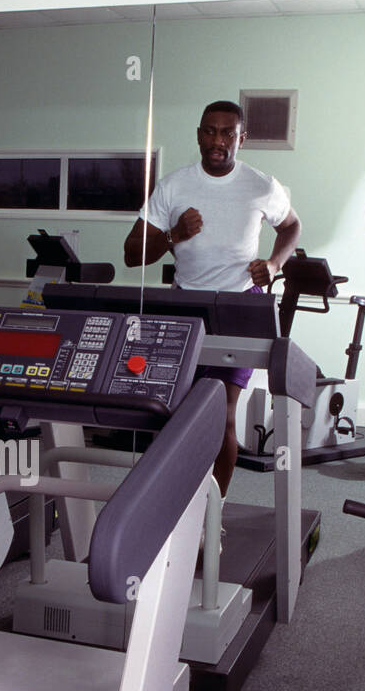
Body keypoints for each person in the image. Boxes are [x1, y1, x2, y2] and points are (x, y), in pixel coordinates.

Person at [124, 101, 301, 496]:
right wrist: (173, 236)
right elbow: (131, 252)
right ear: (199, 133)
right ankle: (174, 501)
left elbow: (292, 226)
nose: (216, 141)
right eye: (208, 131)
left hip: (239, 306)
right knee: (174, 413)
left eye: (226, 133)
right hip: (185, 306)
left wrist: (274, 264)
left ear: (241, 138)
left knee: (222, 416)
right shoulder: (174, 185)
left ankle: (213, 512)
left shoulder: (262, 185)